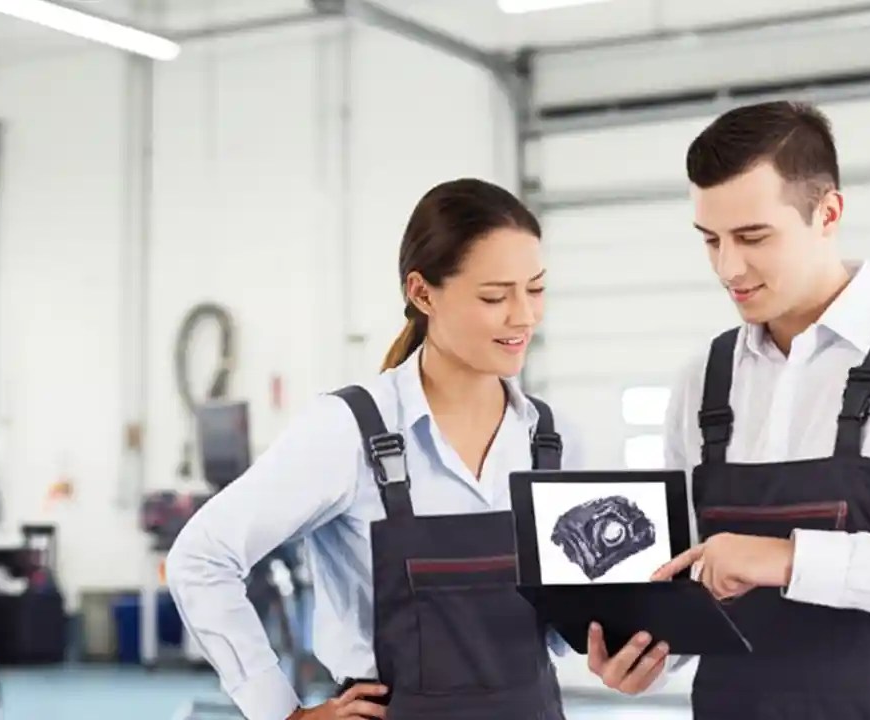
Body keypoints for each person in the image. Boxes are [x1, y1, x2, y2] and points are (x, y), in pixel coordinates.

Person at [585, 100, 870, 718]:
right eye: (711, 240)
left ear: (828, 213)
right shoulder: (702, 380)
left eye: (753, 237)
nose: (728, 267)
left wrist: (791, 559)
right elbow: (697, 574)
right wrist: (653, 653)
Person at [167, 178, 576, 720]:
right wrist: (282, 712)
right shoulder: (347, 432)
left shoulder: (549, 437)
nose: (523, 315)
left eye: (536, 289)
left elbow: (569, 624)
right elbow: (200, 558)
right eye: (494, 297)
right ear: (422, 293)